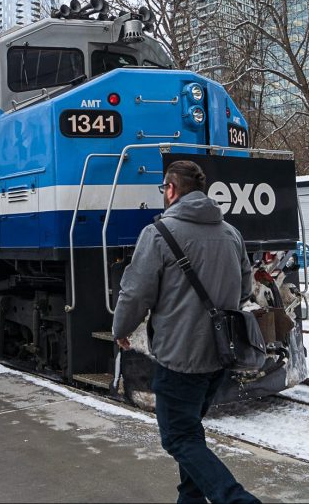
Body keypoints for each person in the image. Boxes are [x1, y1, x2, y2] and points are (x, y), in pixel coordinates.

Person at [112, 160, 259, 504]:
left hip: (179, 358)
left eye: (164, 189)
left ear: (171, 189)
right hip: (220, 355)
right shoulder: (231, 232)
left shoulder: (158, 233)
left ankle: (237, 499)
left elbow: (135, 293)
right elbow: (245, 289)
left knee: (178, 439)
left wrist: (121, 328)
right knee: (191, 433)